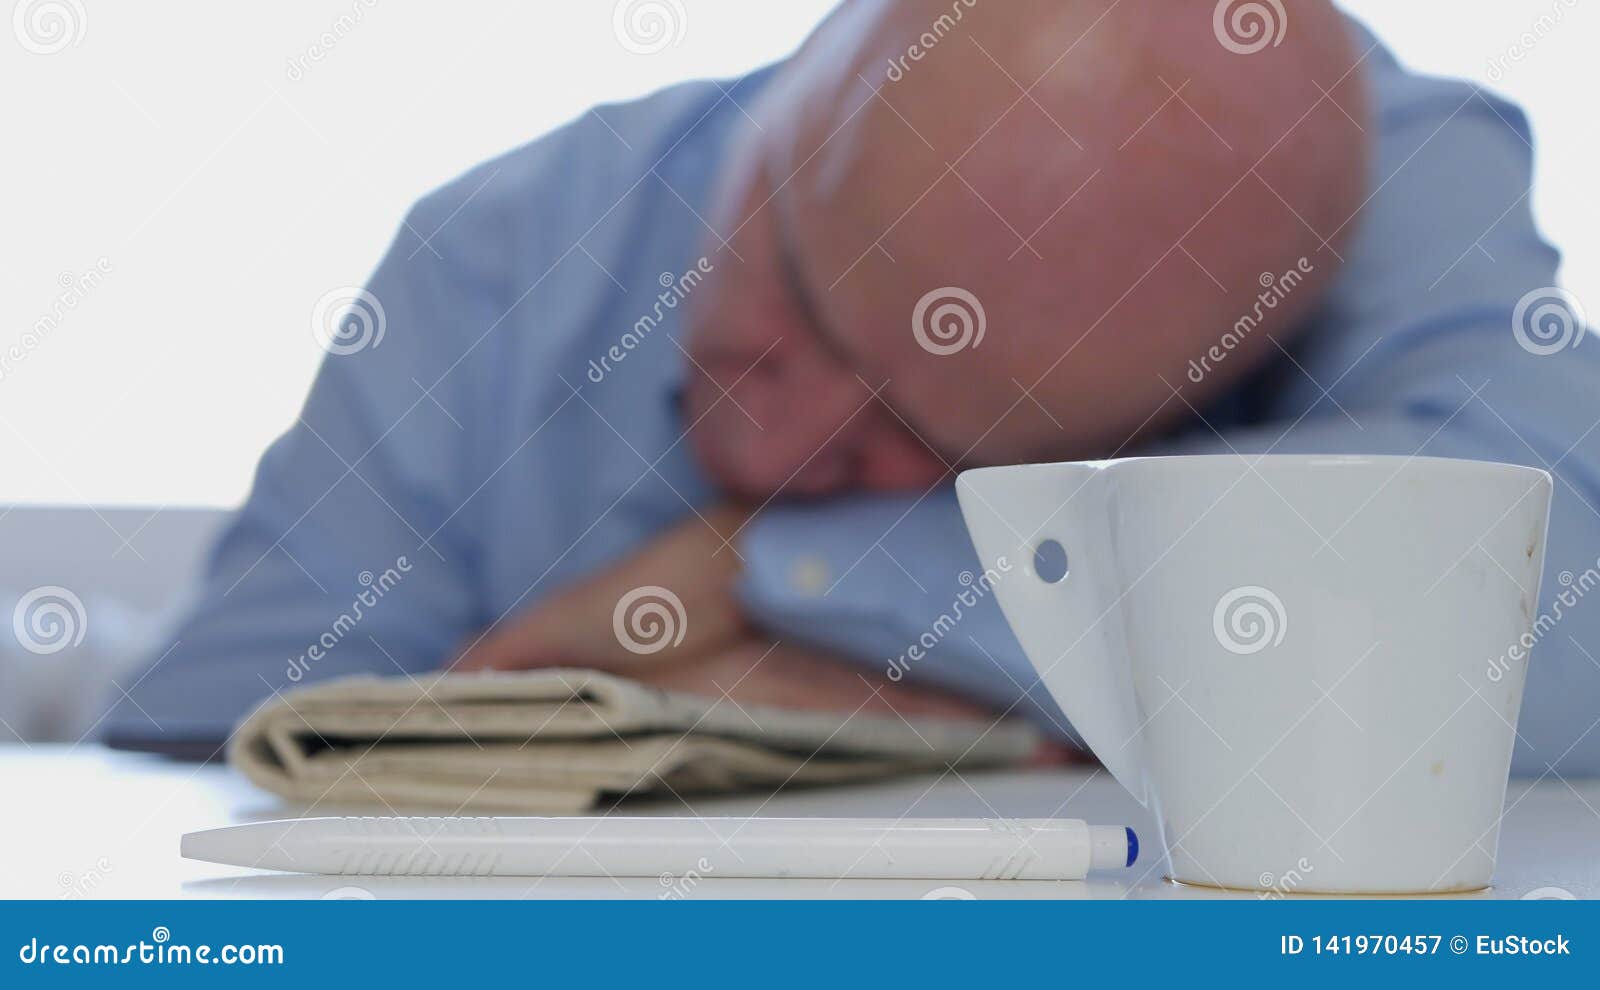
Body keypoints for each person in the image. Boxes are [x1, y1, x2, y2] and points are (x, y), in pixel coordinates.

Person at [107, 0, 1600, 776]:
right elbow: (199, 758)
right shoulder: (503, 251)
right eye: (799, 298)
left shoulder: (1366, 182)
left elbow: (1563, 616)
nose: (775, 444)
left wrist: (765, 572)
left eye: (927, 440)